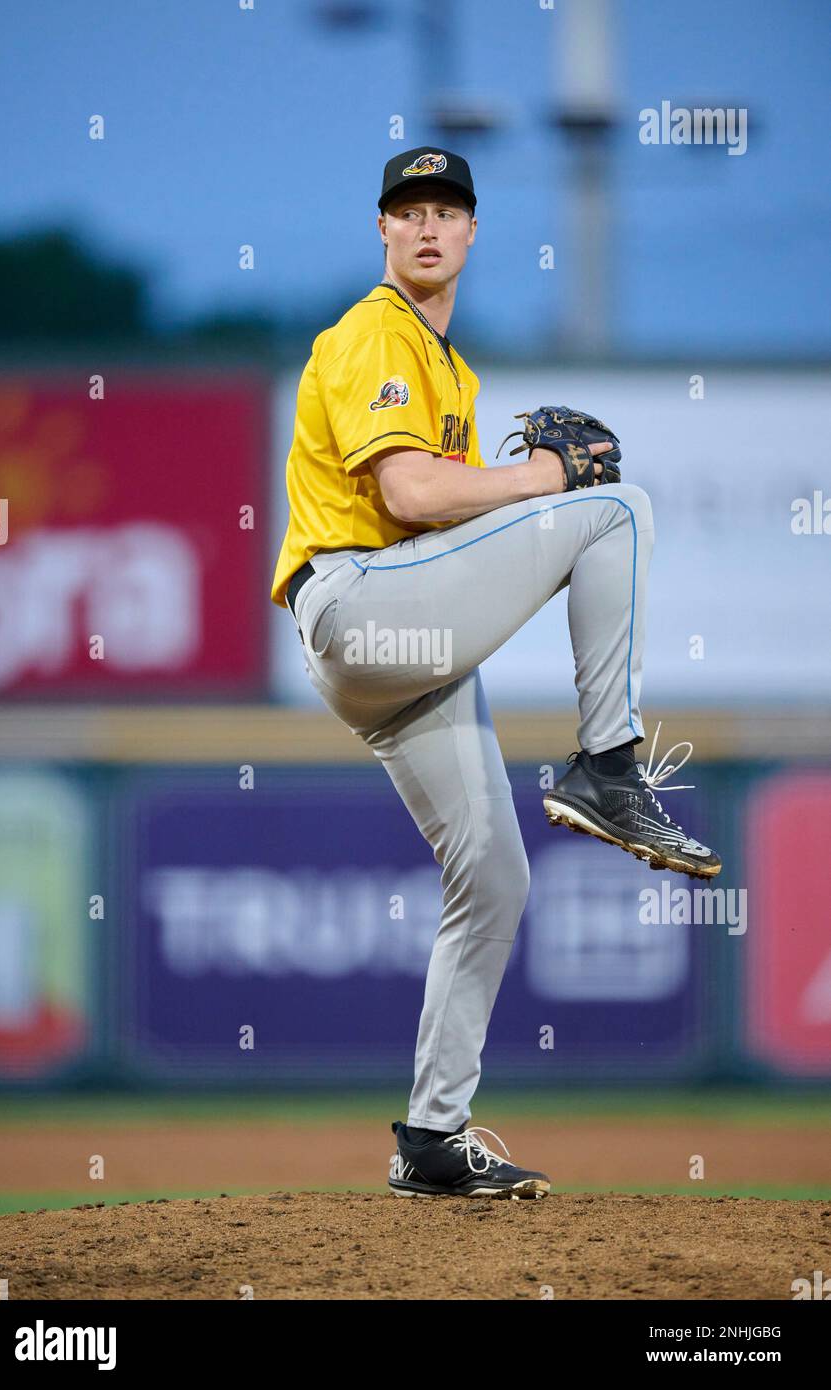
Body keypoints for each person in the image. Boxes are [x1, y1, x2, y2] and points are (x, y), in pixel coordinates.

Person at [270, 145, 721, 1200]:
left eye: (446, 210)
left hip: (397, 645)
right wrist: (543, 477)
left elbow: (438, 519)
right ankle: (609, 763)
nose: (426, 226)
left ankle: (431, 1135)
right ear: (380, 230)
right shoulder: (373, 332)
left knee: (494, 871)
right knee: (614, 507)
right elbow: (415, 495)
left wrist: (523, 496)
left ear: (471, 233)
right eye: (407, 209)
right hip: (359, 606)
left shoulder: (453, 371)